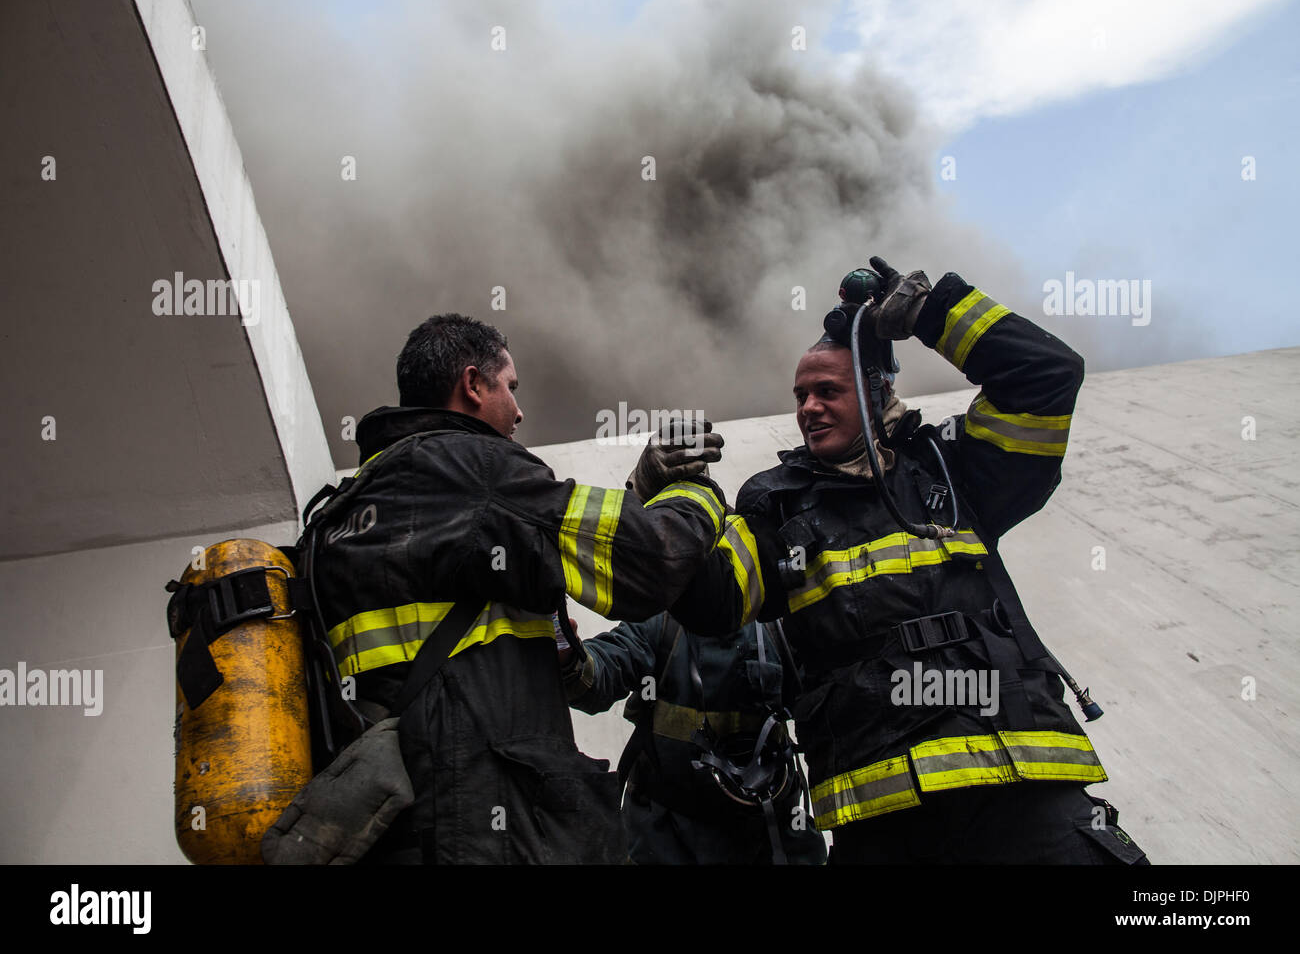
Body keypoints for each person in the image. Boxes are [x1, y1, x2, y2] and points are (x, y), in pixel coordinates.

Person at [672, 258, 1149, 864]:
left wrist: (934, 311)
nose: (809, 408)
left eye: (828, 391)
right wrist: (668, 494)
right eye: (801, 396)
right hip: (885, 812)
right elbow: (710, 600)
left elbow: (1046, 375)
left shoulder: (954, 468)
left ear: (877, 394)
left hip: (1020, 782)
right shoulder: (775, 502)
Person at [311, 313, 727, 864]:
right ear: (473, 385)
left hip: (387, 824)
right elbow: (647, 557)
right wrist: (697, 494)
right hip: (486, 818)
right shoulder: (477, 469)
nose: (520, 409)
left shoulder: (340, 509)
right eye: (510, 387)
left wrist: (638, 485)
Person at [560, 603, 827, 865]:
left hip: (764, 836)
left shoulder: (777, 626)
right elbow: (605, 669)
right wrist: (572, 659)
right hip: (665, 838)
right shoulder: (662, 625)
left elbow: (826, 696)